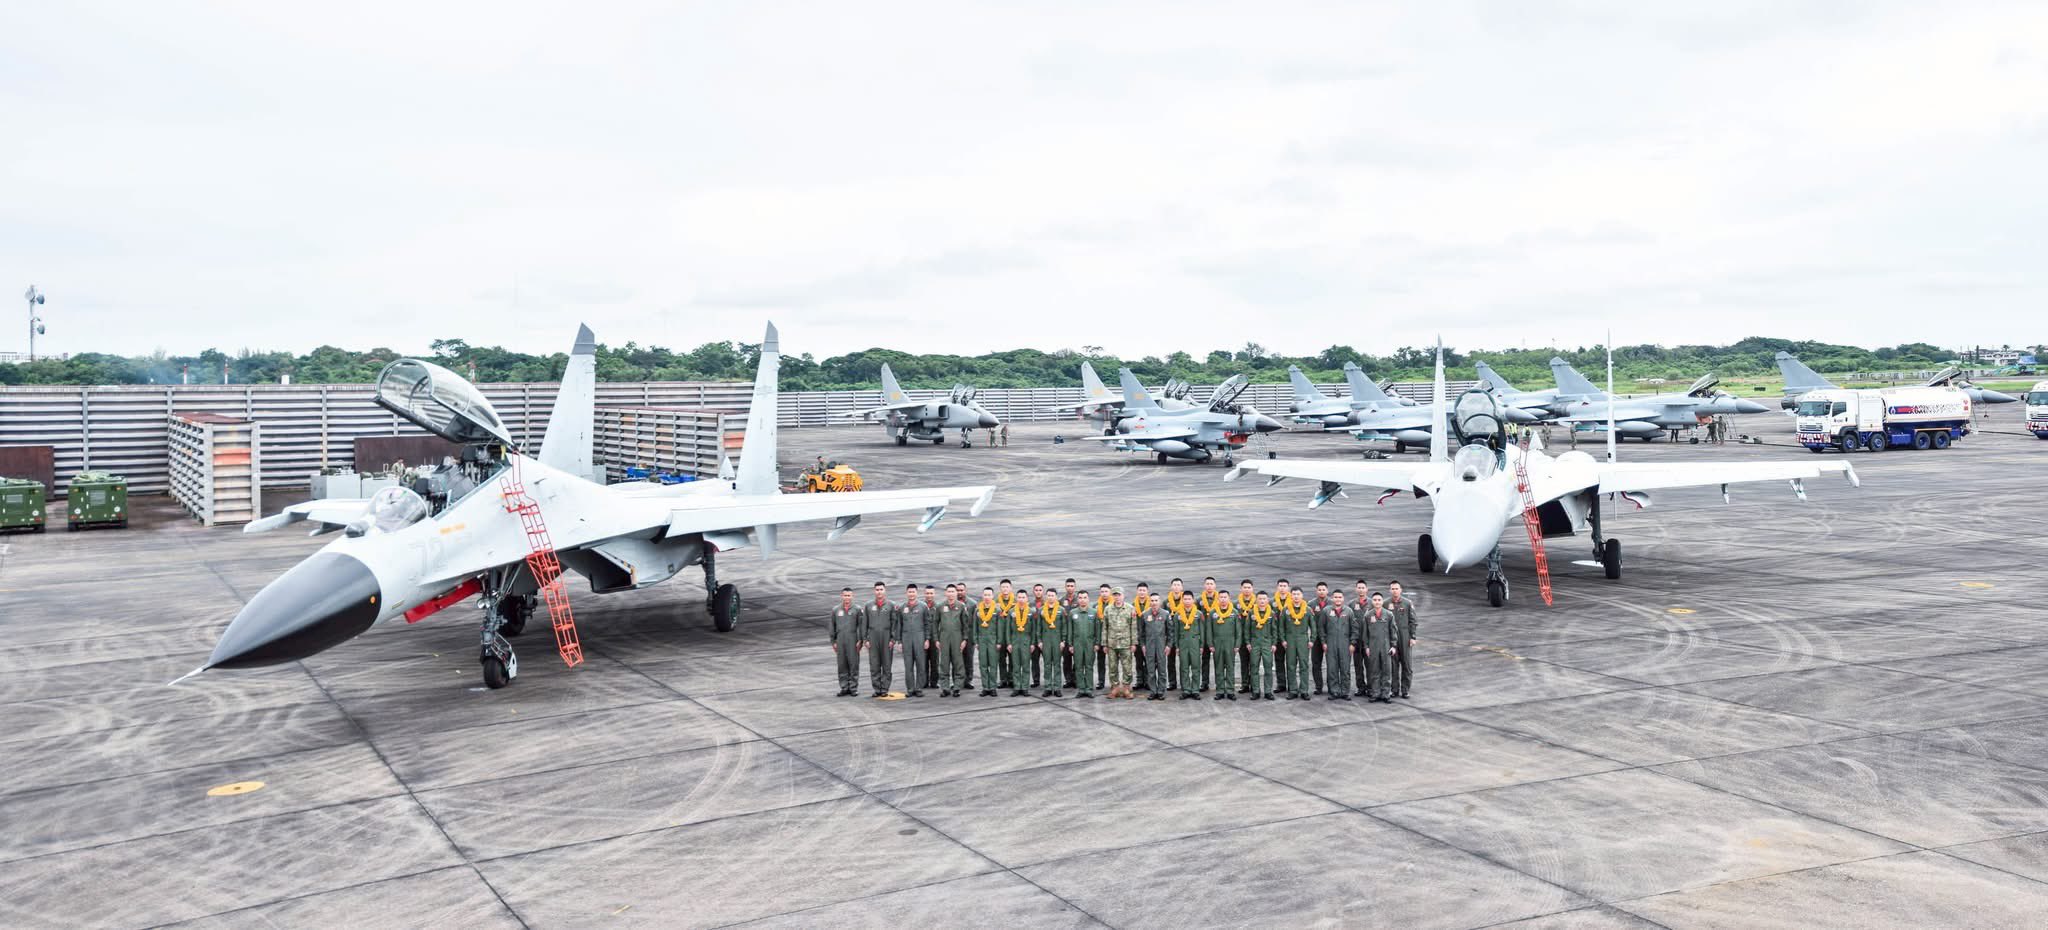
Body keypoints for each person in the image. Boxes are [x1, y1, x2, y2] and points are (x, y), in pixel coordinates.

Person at [858, 582, 897, 697]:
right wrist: (865, 639)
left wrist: (893, 639)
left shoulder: (891, 605)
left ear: (885, 590)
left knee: (886, 665)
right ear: (874, 591)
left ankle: (884, 689)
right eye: (877, 589)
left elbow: (894, 623)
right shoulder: (868, 605)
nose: (879, 591)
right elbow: (864, 623)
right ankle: (877, 689)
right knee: (874, 665)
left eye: (881, 589)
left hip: (886, 637)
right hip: (873, 637)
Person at [1099, 585, 1134, 698]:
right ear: (1112, 596)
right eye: (1115, 595)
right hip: (1112, 643)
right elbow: (1105, 627)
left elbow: (1133, 627)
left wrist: (1134, 643)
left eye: (1119, 595)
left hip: (1126, 643)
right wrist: (1104, 643)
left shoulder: (1130, 608)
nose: (1117, 597)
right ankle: (1114, 688)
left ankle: (1126, 688)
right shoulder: (1108, 609)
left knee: (1127, 667)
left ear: (1123, 596)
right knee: (1112, 667)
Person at [1136, 583, 1170, 701]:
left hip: (1161, 646)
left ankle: (1161, 691)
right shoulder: (1145, 615)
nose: (1154, 602)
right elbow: (1141, 633)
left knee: (1161, 670)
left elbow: (1170, 632)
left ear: (1159, 602)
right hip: (1149, 647)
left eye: (1156, 600)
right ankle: (1153, 691)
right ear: (1149, 601)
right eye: (1152, 600)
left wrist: (1169, 646)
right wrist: (1143, 645)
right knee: (1150, 671)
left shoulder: (1165, 614)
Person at [1205, 583, 1238, 700]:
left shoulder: (1234, 612)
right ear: (1218, 599)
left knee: (1230, 667)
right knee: (1218, 667)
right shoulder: (1213, 613)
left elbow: (1238, 630)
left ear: (1229, 599)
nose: (1223, 599)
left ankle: (1230, 690)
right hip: (1217, 643)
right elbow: (1209, 630)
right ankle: (1219, 690)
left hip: (1230, 643)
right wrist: (1210, 644)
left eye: (1225, 597)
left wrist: (1237, 644)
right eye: (1221, 597)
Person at [1065, 586, 1100, 698]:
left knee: (1089, 666)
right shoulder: (1073, 613)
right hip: (1077, 643)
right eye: (1080, 597)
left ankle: (1089, 688)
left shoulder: (1094, 612)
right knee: (1079, 666)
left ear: (1088, 599)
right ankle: (1081, 688)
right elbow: (1070, 630)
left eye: (1085, 597)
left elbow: (1097, 630)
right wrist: (1070, 644)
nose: (1082, 600)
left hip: (1090, 643)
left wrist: (1097, 643)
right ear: (1078, 599)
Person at [1171, 585, 1205, 700]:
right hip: (1182, 643)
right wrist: (1177, 646)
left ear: (1193, 600)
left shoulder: (1198, 614)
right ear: (1182, 600)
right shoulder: (1177, 615)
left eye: (1189, 599)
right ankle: (1186, 689)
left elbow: (1202, 631)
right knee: (1184, 667)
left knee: (1196, 667)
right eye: (1184, 599)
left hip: (1195, 642)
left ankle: (1195, 689)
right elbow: (1175, 631)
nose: (1187, 601)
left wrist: (1201, 645)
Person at [1360, 591, 1395, 702]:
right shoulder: (1368, 615)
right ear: (1372, 601)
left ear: (1382, 601)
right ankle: (1375, 693)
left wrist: (1393, 645)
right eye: (1375, 600)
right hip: (1373, 647)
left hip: (1386, 647)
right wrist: (1366, 646)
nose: (1377, 602)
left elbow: (1393, 631)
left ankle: (1386, 694)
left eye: (1379, 600)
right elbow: (1365, 633)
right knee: (1374, 671)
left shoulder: (1389, 615)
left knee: (1386, 671)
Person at [934, 585, 968, 697]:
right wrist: (936, 639)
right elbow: (935, 624)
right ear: (945, 593)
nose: (951, 593)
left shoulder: (961, 606)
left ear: (956, 593)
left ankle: (957, 687)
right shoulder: (940, 606)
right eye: (949, 591)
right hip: (944, 638)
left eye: (953, 591)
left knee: (958, 663)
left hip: (957, 638)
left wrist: (964, 639)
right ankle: (945, 688)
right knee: (944, 663)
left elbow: (966, 625)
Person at [1386, 580, 1418, 700]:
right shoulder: (1385, 603)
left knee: (1407, 665)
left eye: (1396, 588)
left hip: (1405, 638)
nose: (1394, 591)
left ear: (1401, 590)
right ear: (1390, 590)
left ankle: (1405, 690)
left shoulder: (1407, 603)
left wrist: (1413, 637)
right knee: (1393, 665)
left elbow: (1413, 621)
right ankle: (1394, 690)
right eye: (1392, 589)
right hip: (1392, 639)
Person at [1281, 587, 1314, 700]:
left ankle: (1304, 690)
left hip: (1303, 639)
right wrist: (1283, 640)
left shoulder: (1307, 610)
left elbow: (1313, 627)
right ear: (1291, 596)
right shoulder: (1286, 610)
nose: (1296, 596)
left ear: (1302, 595)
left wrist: (1312, 640)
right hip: (1290, 640)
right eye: (1294, 594)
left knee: (1304, 665)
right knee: (1290, 665)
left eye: (1298, 594)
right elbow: (1281, 627)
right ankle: (1293, 690)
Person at [1245, 590, 1279, 700]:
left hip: (1267, 644)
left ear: (1267, 600)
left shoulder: (1271, 613)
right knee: (1254, 667)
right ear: (1256, 600)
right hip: (1254, 644)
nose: (1262, 601)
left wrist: (1274, 643)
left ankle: (1268, 691)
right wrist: (1248, 642)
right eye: (1260, 599)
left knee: (1268, 667)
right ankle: (1255, 691)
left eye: (1264, 599)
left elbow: (1274, 630)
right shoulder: (1251, 613)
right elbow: (1247, 629)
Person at [1320, 590, 1352, 700]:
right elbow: (1321, 628)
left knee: (1345, 668)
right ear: (1332, 598)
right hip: (1330, 643)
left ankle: (1345, 691)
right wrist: (1324, 642)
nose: (1338, 599)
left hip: (1345, 643)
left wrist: (1352, 643)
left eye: (1340, 597)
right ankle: (1334, 691)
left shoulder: (1348, 611)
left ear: (1343, 598)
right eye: (1335, 597)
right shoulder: (1326, 611)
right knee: (1332, 668)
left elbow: (1354, 628)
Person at [830, 587, 861, 697]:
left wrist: (860, 640)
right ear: (841, 596)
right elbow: (832, 626)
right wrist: (833, 641)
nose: (847, 597)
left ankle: (853, 688)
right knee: (842, 664)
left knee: (853, 664)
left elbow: (860, 626)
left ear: (852, 596)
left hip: (853, 640)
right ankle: (844, 687)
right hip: (840, 640)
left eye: (849, 595)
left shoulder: (857, 609)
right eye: (845, 595)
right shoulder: (836, 610)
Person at [973, 586, 1004, 697]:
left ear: (992, 596)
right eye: (985, 595)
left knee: (993, 664)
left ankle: (993, 687)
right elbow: (975, 627)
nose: (987, 597)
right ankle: (985, 687)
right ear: (982, 596)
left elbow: (1000, 627)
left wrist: (999, 641)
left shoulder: (997, 610)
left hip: (993, 640)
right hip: (982, 639)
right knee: (983, 665)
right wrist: (976, 640)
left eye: (989, 595)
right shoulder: (978, 610)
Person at [1059, 578, 1090, 690]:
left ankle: (1077, 679)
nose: (1070, 588)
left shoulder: (1080, 599)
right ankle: (1068, 680)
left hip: (1077, 634)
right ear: (1065, 587)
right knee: (1066, 659)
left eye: (1072, 586)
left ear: (1075, 587)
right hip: (1065, 634)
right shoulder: (1061, 600)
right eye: (1068, 586)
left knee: (1078, 660)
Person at [899, 583, 928, 697]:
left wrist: (927, 639)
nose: (911, 594)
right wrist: (899, 641)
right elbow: (899, 625)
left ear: (917, 593)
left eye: (913, 592)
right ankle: (910, 689)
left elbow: (927, 623)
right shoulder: (902, 608)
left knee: (921, 665)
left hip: (919, 638)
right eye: (909, 592)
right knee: (908, 666)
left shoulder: (923, 606)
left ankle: (919, 688)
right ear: (907, 593)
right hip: (906, 639)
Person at [1003, 586, 1033, 697]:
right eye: (1019, 597)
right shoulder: (1011, 612)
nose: (1021, 599)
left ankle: (1024, 687)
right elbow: (1007, 629)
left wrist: (1033, 643)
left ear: (1027, 599)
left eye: (1023, 597)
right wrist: (1009, 643)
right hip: (1015, 641)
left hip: (1026, 641)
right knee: (1015, 666)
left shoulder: (1031, 612)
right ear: (1016, 599)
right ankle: (1016, 687)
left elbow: (1034, 630)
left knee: (1025, 666)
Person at [1196, 577, 1225, 691]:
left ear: (1215, 586)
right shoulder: (1199, 600)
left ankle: (1220, 683)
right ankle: (1204, 682)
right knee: (1204, 659)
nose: (1209, 586)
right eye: (1207, 584)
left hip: (1216, 632)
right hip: (1203, 633)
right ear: (1204, 586)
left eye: (1211, 584)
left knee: (1220, 660)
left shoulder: (1221, 599)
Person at [994, 579, 1021, 689]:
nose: (1005, 589)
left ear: (1011, 588)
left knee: (1013, 658)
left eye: (1007, 587)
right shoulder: (995, 602)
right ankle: (1003, 679)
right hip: (1000, 634)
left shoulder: (1016, 602)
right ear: (1000, 588)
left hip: (1012, 634)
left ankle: (1012, 679)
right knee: (1001, 659)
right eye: (1003, 587)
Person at [1163, 578, 1189, 692]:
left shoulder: (1187, 601)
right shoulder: (1166, 602)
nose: (1177, 587)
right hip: (1170, 634)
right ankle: (1172, 682)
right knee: (1170, 660)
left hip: (1183, 634)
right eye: (1174, 585)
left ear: (1182, 587)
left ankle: (1185, 683)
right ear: (1171, 587)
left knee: (1185, 661)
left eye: (1179, 585)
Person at [1235, 580, 1258, 693]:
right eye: (1245, 587)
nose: (1247, 589)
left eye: (1249, 587)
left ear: (1252, 589)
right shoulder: (1236, 604)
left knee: (1254, 662)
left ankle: (1254, 685)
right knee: (1244, 662)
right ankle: (1245, 684)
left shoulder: (1258, 603)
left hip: (1254, 638)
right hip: (1242, 638)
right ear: (1241, 588)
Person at [1351, 580, 1373, 697]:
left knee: (1370, 665)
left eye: (1363, 587)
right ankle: (1361, 687)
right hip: (1356, 641)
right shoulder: (1351, 604)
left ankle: (1371, 687)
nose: (1361, 589)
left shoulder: (1372, 603)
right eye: (1358, 587)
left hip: (1368, 641)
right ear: (1356, 589)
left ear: (1366, 589)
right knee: (1358, 665)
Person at [1310, 581, 1331, 695]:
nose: (1321, 592)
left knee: (1331, 663)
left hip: (1330, 638)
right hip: (1316, 638)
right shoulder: (1311, 604)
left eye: (1323, 589)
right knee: (1316, 663)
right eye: (1319, 590)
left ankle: (1331, 686)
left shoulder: (1333, 603)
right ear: (1316, 591)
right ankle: (1318, 686)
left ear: (1327, 591)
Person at [923, 583, 941, 687]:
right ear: (924, 594)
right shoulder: (921, 606)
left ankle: (934, 682)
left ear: (934, 594)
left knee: (935, 661)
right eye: (927, 593)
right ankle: (924, 682)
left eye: (931, 593)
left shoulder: (938, 607)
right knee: (923, 661)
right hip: (924, 638)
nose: (929, 595)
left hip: (934, 638)